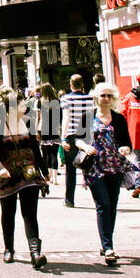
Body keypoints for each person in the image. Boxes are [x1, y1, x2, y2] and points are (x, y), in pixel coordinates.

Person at [0, 86, 49, 269]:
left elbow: (35, 151)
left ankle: (35, 253)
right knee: (8, 213)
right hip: (7, 176)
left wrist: (44, 173)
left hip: (28, 174)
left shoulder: (28, 123)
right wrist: (0, 169)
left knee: (30, 214)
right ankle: (9, 248)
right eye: (22, 106)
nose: (26, 109)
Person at [76, 83, 133, 265]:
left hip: (114, 166)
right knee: (103, 204)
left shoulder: (119, 119)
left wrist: (125, 148)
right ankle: (108, 247)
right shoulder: (88, 117)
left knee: (112, 205)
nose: (106, 99)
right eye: (103, 96)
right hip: (94, 168)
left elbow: (127, 142)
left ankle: (106, 242)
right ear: (96, 98)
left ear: (113, 99)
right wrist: (86, 146)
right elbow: (76, 138)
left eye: (109, 96)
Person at [59, 74, 94, 207]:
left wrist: (63, 137)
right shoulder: (90, 98)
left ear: (71, 85)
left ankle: (69, 199)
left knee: (70, 169)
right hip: (85, 136)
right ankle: (97, 197)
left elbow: (66, 118)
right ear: (82, 85)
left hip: (72, 135)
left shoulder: (66, 98)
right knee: (88, 167)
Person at [36, 83, 60, 188]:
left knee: (47, 153)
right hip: (54, 128)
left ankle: (49, 176)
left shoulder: (40, 102)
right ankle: (55, 178)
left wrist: (36, 130)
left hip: (43, 128)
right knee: (54, 153)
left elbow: (38, 117)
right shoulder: (56, 101)